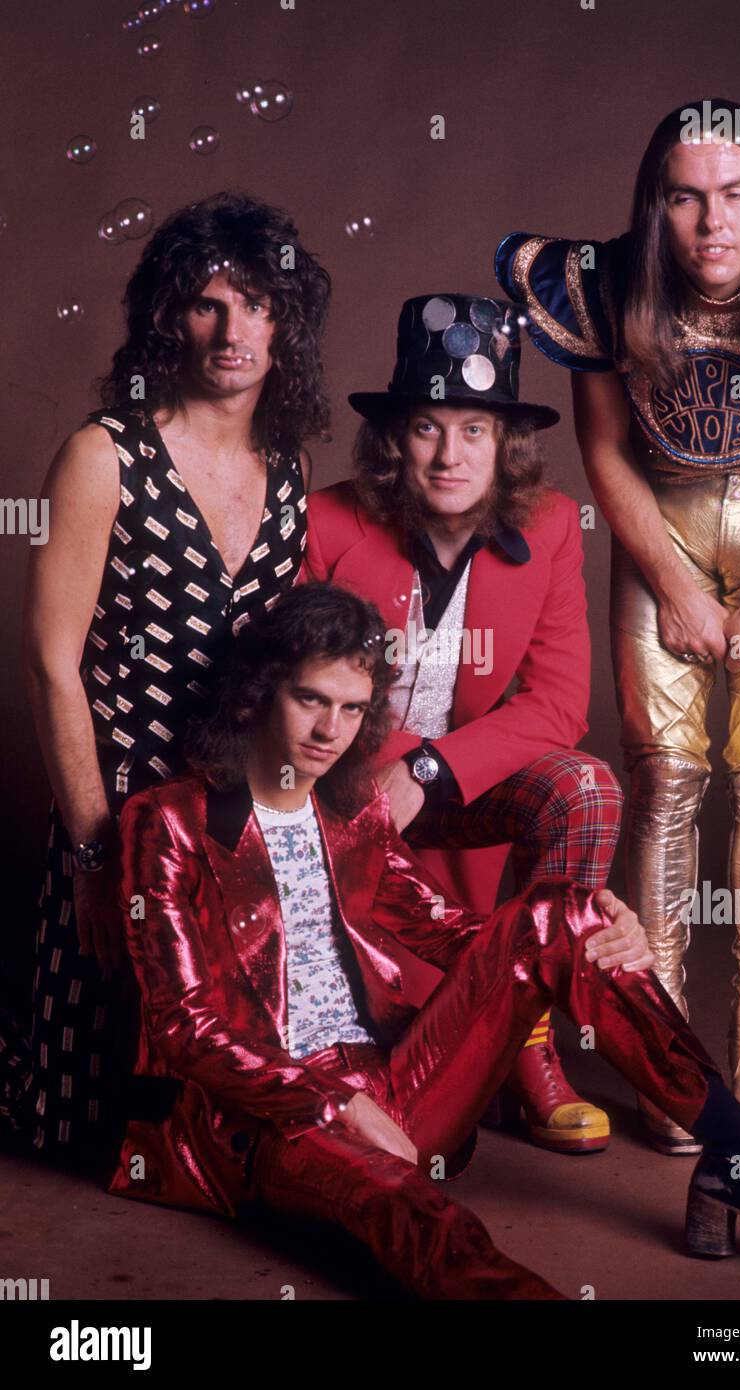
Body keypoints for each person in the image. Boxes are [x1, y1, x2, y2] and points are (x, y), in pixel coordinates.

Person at [107, 581, 740, 1301]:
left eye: (350, 708)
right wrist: (335, 1103)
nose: (328, 732)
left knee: (565, 916)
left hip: (395, 1082)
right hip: (272, 1114)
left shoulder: (353, 811)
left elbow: (454, 933)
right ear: (259, 692)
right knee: (411, 1211)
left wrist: (593, 931)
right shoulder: (168, 821)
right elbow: (185, 1029)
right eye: (309, 699)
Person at [495, 97, 740, 1152]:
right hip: (655, 533)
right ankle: (659, 1047)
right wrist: (671, 583)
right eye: (683, 197)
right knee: (662, 776)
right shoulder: (605, 282)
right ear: (652, 204)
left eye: (733, 194)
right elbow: (606, 455)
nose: (710, 221)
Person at [5, 191, 331, 1164]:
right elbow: (52, 665)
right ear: (167, 318)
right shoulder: (102, 455)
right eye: (206, 303)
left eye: (257, 304)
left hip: (220, 817)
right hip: (116, 808)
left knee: (223, 1123)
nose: (233, 331)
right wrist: (93, 857)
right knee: (84, 1127)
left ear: (286, 323)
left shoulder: (291, 469)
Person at [304, 293, 623, 1154]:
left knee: (586, 785)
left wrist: (430, 770)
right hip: (345, 788)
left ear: (506, 444)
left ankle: (531, 1043)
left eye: (474, 429)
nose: (450, 455)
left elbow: (560, 703)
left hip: (462, 786)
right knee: (407, 1075)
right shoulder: (327, 521)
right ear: (393, 438)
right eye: (427, 428)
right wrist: (384, 770)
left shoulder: (553, 526)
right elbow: (295, 691)